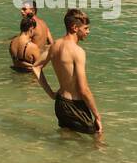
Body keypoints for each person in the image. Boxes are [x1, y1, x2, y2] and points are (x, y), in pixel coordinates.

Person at [36, 8, 103, 136]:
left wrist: (50, 93)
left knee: (67, 138)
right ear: (74, 27)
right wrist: (97, 116)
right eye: (86, 28)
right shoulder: (78, 52)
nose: (88, 32)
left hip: (60, 103)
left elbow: (36, 67)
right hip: (75, 106)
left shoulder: (55, 45)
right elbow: (84, 90)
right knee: (98, 139)